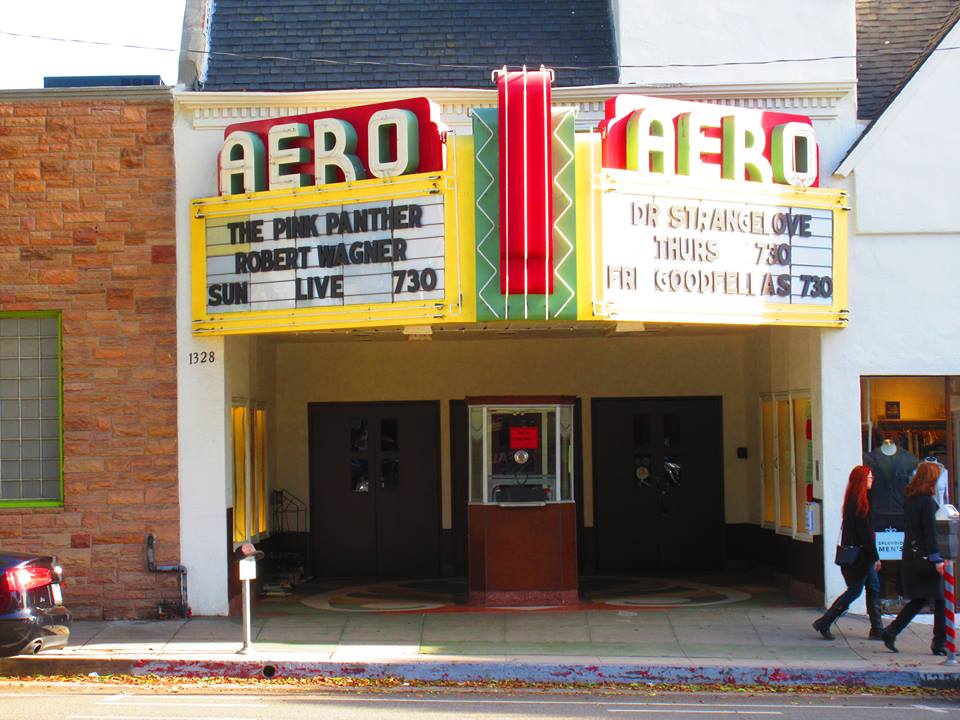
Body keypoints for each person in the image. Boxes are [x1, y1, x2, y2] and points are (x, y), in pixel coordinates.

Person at [881, 461, 947, 654]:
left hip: (913, 556)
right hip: (926, 557)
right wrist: (936, 559)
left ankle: (892, 631)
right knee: (940, 598)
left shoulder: (911, 500)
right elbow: (930, 533)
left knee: (921, 598)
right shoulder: (927, 502)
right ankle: (940, 641)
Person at [813, 465, 883, 640]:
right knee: (855, 591)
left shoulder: (856, 500)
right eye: (869, 478)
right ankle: (825, 622)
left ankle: (877, 629)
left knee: (872, 587)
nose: (872, 481)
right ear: (861, 481)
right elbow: (865, 534)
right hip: (862, 557)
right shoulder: (859, 503)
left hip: (861, 555)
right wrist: (875, 557)